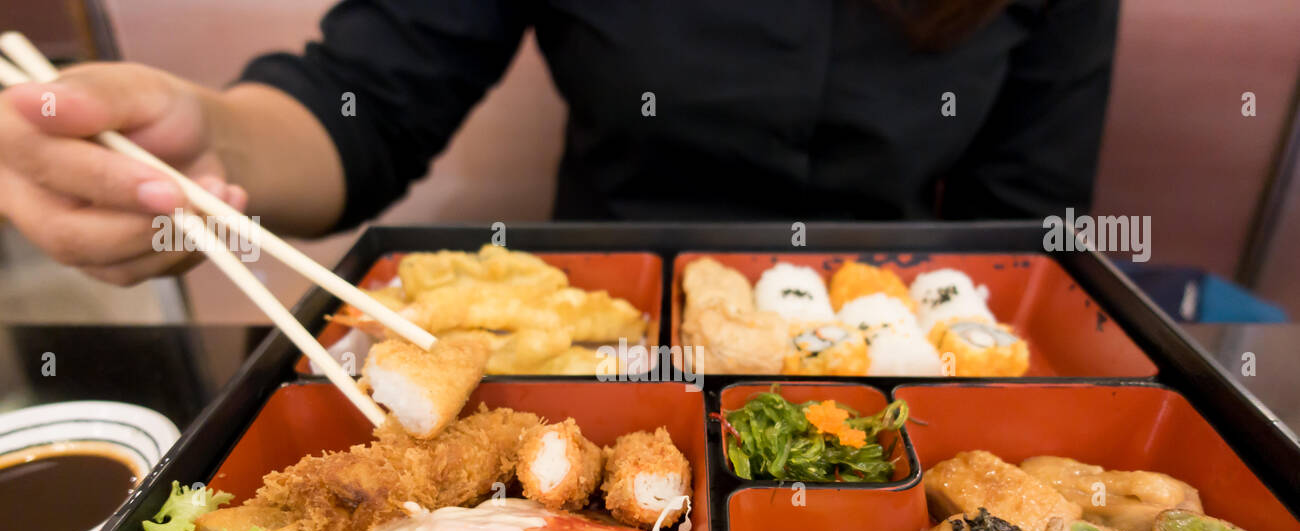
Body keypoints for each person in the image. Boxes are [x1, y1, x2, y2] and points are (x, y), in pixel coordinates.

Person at [0, 0, 1119, 285]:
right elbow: (362, 102)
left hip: (897, 331)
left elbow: (1030, 223)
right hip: (595, 322)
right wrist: (205, 146)